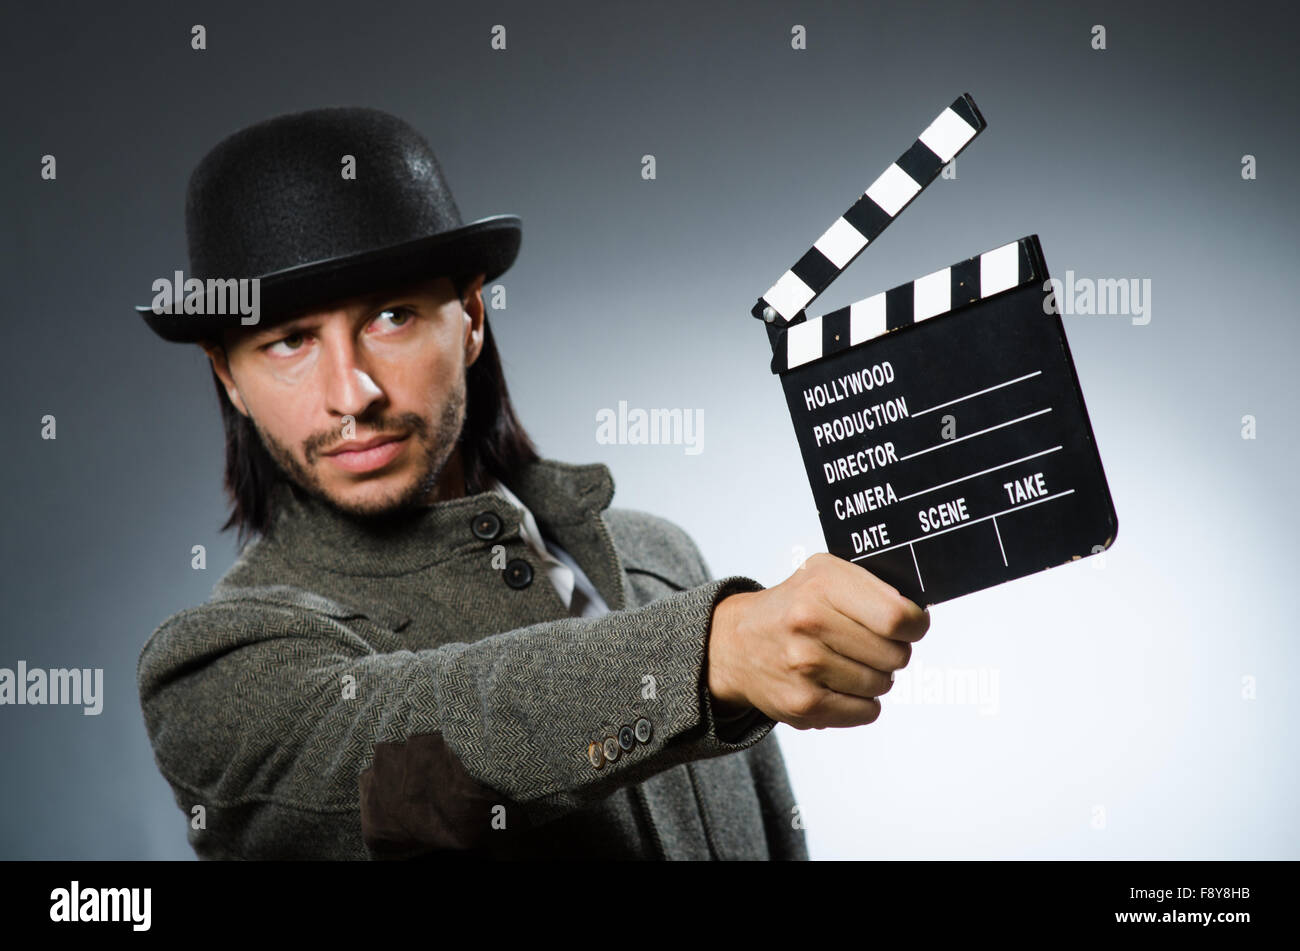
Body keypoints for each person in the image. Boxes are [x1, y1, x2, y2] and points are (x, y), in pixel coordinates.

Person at [134, 106, 930, 860]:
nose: (352, 393)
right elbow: (412, 742)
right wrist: (711, 650)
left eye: (390, 318)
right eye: (288, 342)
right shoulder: (216, 673)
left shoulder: (660, 558)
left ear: (472, 315)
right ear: (228, 377)